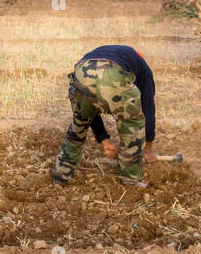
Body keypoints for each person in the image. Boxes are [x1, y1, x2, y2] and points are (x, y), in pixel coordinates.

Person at [52, 44, 158, 187]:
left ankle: (61, 176)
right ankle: (130, 181)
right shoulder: (144, 68)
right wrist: (148, 148)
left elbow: (90, 110)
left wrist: (105, 142)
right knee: (132, 124)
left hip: (82, 71)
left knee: (80, 121)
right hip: (112, 72)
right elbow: (148, 110)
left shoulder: (110, 53)